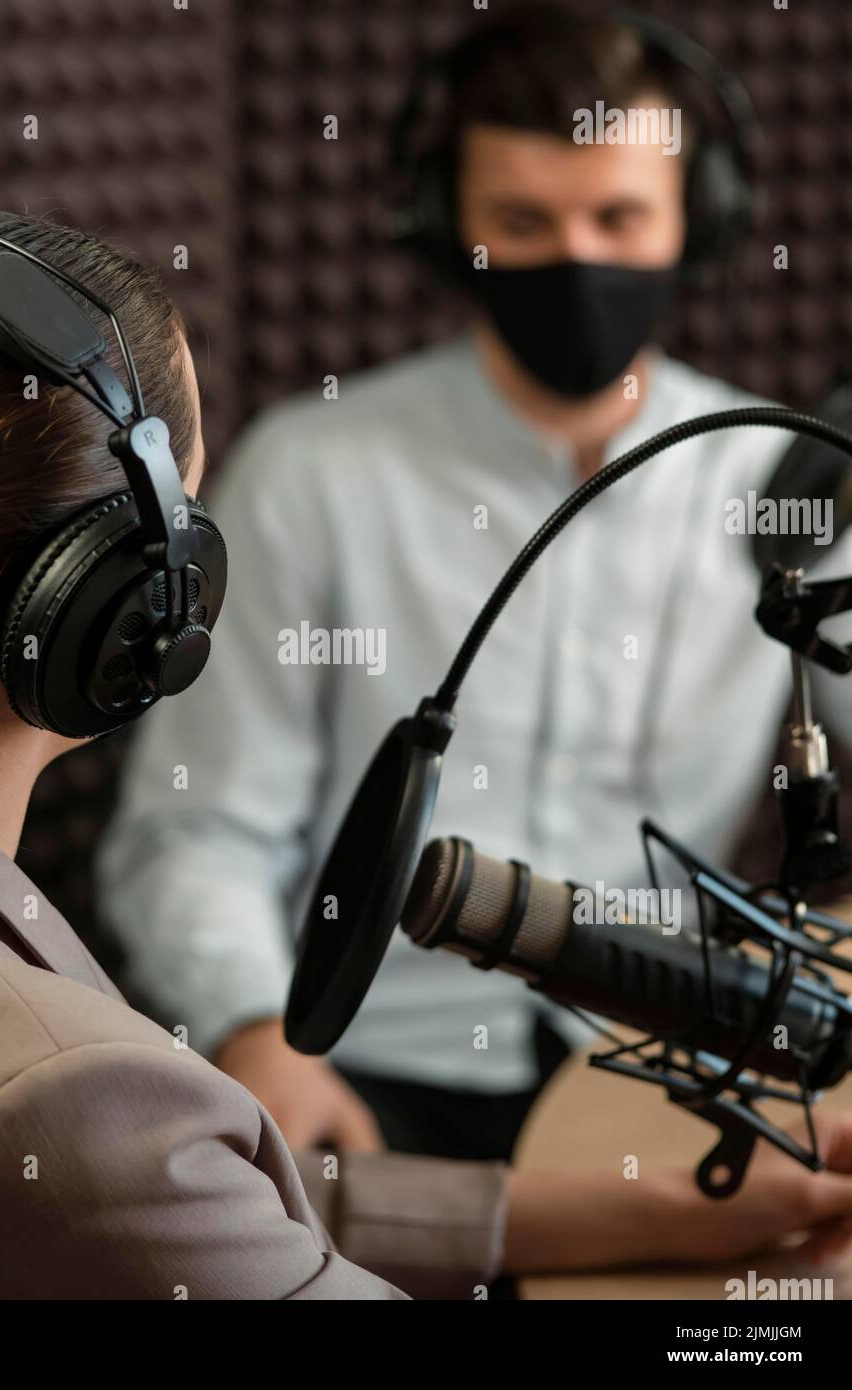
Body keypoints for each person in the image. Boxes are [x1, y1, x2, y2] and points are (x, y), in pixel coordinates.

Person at [0, 210, 852, 1300]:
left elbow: (187, 1202)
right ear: (126, 616)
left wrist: (640, 1220)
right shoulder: (50, 1086)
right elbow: (131, 1170)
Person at [98, 4, 852, 1162]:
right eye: (523, 221)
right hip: (362, 1071)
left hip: (662, 1069)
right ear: (447, 225)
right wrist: (258, 1032)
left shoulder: (780, 475)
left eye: (617, 216)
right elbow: (196, 832)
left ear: (693, 222)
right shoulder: (311, 468)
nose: (576, 258)